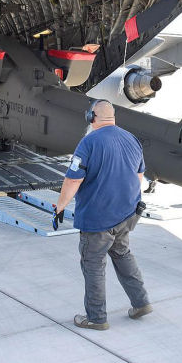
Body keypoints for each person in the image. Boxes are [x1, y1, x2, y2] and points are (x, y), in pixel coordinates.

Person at [54, 99, 152, 330]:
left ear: (92, 117)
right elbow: (138, 177)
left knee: (93, 265)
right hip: (126, 215)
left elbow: (73, 179)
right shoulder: (132, 139)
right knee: (123, 256)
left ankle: (96, 318)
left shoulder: (88, 143)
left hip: (97, 220)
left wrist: (60, 206)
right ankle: (141, 302)